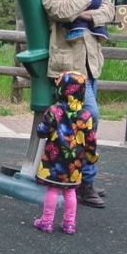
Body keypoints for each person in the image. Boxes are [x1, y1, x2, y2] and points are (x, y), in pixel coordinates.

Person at [37, 0, 115, 208]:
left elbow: (108, 9)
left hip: (90, 63)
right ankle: (85, 183)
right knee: (88, 117)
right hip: (68, 67)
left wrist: (86, 15)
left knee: (83, 124)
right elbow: (61, 10)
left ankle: (81, 180)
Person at [33, 71, 98, 234]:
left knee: (53, 190)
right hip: (75, 160)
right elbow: (90, 139)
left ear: (60, 89)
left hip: (54, 158)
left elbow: (42, 131)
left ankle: (46, 221)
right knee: (70, 191)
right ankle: (69, 223)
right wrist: (91, 156)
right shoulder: (85, 115)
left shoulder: (54, 111)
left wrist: (41, 129)